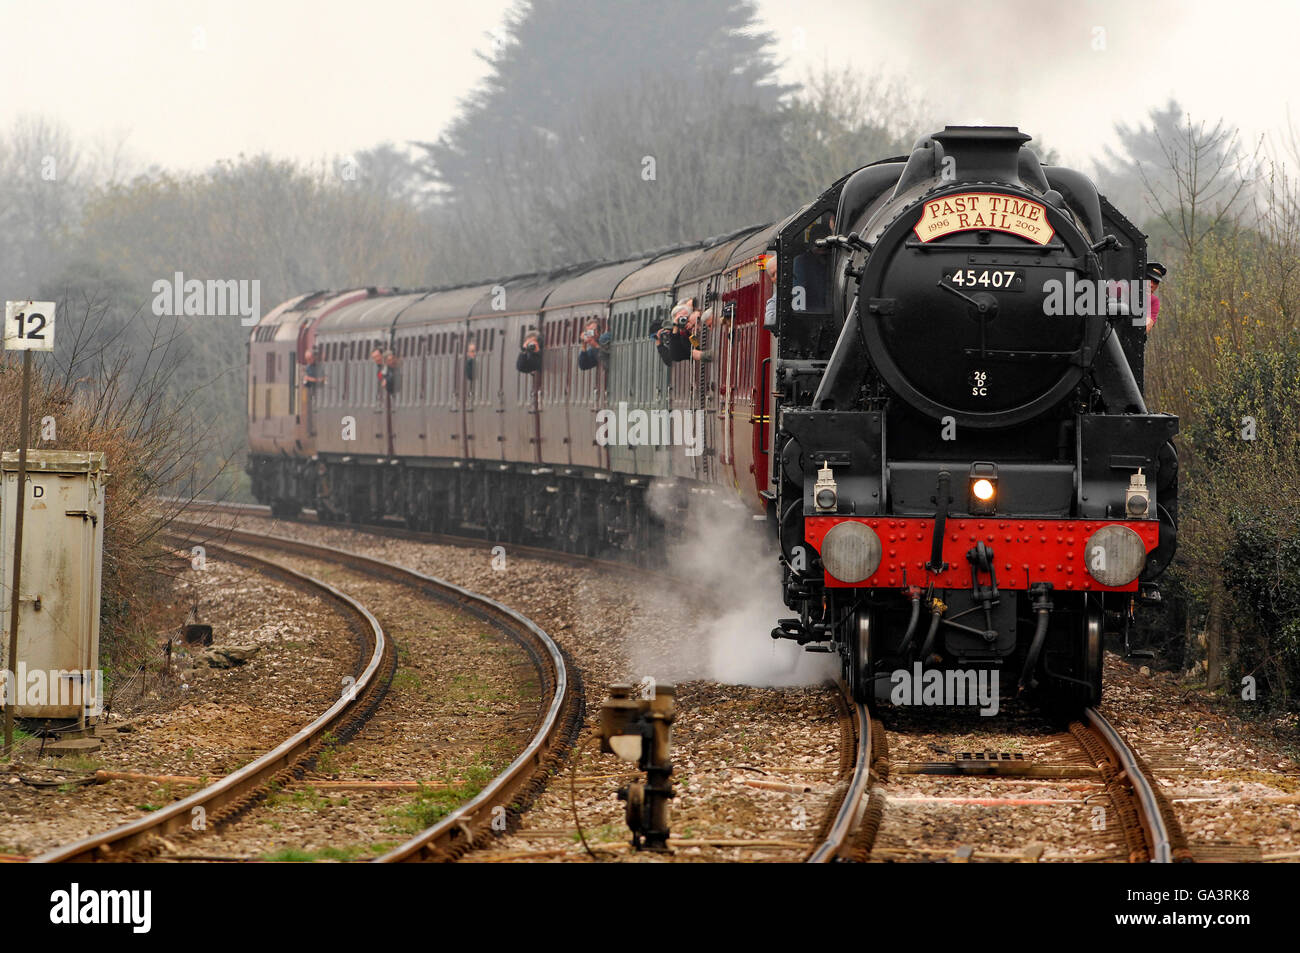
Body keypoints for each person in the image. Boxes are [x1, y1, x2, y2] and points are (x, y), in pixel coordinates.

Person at [791, 222, 832, 311]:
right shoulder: (801, 262)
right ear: (812, 243)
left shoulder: (834, 260)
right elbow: (798, 294)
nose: (823, 248)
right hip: (811, 315)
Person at [653, 300, 693, 365]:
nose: (684, 320)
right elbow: (676, 356)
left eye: (686, 317)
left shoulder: (693, 332)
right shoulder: (685, 335)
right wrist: (676, 328)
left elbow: (696, 347)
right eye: (680, 319)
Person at [1144, 262, 1166, 332]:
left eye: (1156, 282)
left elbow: (1146, 328)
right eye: (1149, 279)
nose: (1151, 285)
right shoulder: (1127, 287)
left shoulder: (1153, 301)